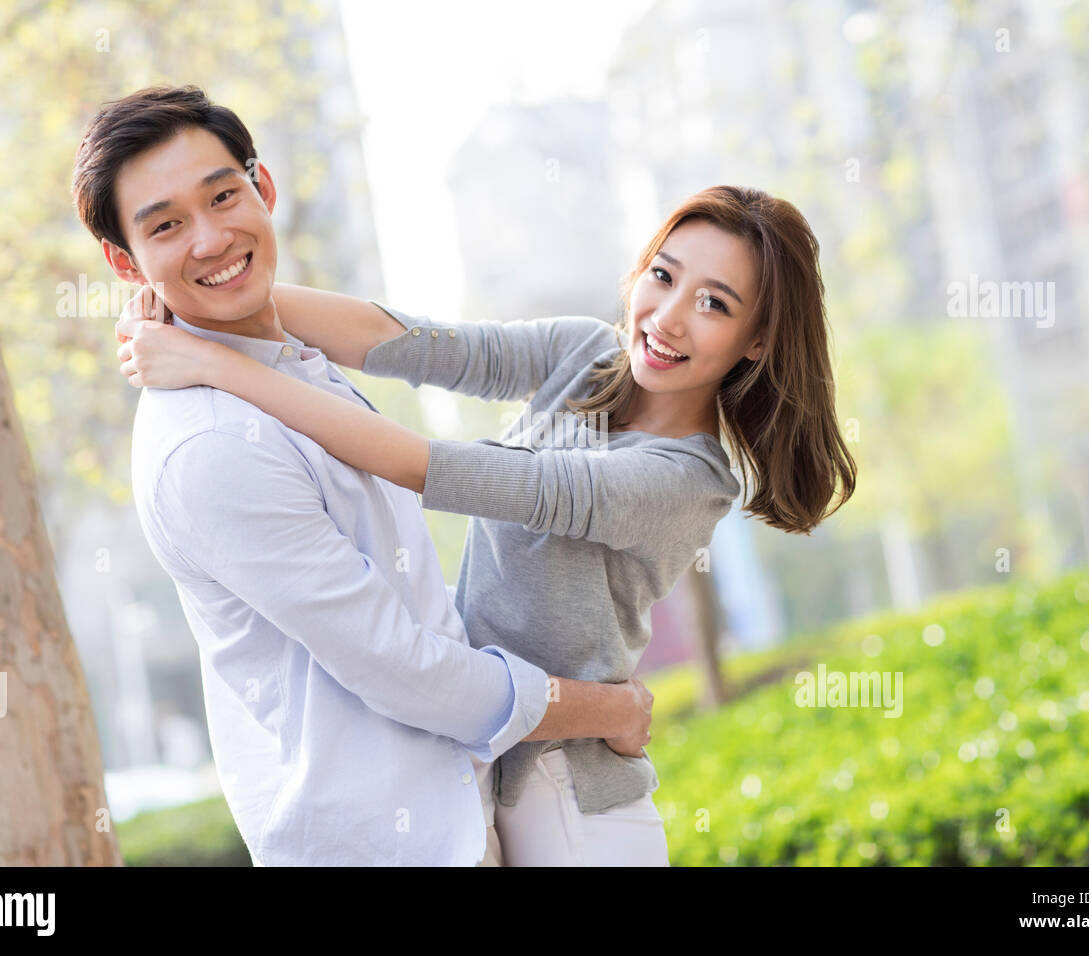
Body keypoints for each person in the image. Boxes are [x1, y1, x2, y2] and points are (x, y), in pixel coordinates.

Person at [116, 179, 860, 865]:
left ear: (755, 341)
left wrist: (212, 364)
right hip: (486, 766)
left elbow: (424, 465)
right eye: (663, 277)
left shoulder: (683, 479)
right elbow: (413, 342)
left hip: (570, 798)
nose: (666, 319)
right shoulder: (587, 355)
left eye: (714, 304)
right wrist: (197, 303)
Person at [72, 85, 655, 866]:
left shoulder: (285, 365)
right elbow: (402, 668)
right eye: (167, 225)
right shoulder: (210, 446)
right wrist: (605, 709)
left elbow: (407, 341)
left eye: (224, 196)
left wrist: (198, 338)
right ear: (123, 260)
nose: (211, 238)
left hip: (452, 819)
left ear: (263, 187)